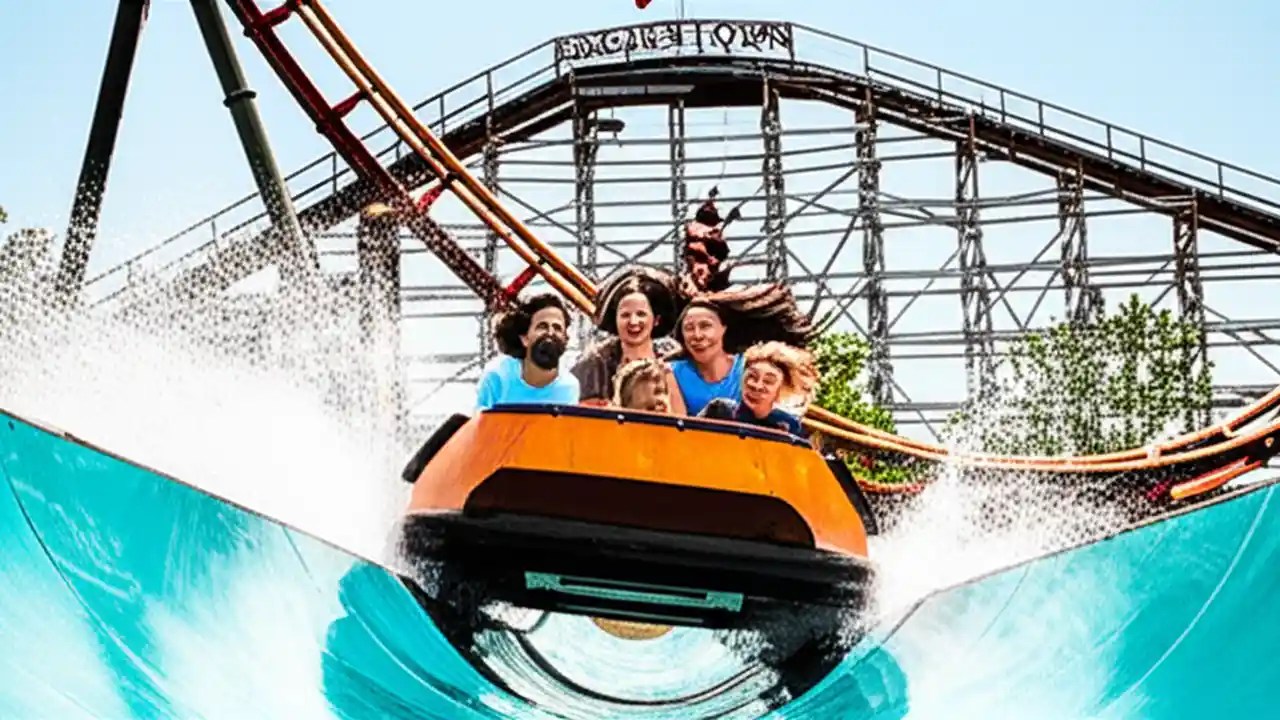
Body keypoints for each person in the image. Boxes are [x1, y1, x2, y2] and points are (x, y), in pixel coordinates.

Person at [571, 266, 684, 413]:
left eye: (641, 314)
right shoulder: (595, 363)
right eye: (625, 315)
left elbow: (682, 417)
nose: (633, 321)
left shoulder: (673, 358)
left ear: (656, 319)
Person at [475, 292, 580, 409]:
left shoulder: (570, 387)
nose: (550, 333)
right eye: (542, 327)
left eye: (557, 328)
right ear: (525, 338)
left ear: (565, 340)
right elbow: (480, 422)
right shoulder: (497, 376)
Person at [699, 341, 818, 437]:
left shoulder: (788, 425)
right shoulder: (719, 410)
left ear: (781, 389)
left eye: (768, 381)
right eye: (752, 376)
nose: (757, 386)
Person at [667, 298, 746, 416]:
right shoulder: (671, 372)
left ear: (723, 328)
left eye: (705, 326)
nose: (697, 335)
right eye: (689, 328)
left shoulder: (746, 368)